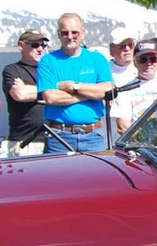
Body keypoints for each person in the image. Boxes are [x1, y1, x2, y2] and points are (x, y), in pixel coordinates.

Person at [36, 12, 115, 153]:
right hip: (59, 137)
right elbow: (51, 97)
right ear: (59, 34)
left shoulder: (97, 59)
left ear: (83, 33)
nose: (70, 36)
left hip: (94, 136)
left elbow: (109, 91)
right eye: (65, 32)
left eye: (75, 32)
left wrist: (73, 87)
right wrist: (91, 94)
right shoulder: (47, 61)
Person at [111, 40, 157, 133]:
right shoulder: (124, 90)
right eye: (143, 59)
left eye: (153, 59)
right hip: (140, 142)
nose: (148, 63)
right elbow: (123, 127)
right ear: (135, 62)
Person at [1, 30, 48, 157]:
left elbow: (63, 94)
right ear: (21, 45)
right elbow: (20, 94)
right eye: (34, 45)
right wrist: (50, 95)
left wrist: (32, 92)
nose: (40, 49)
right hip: (24, 142)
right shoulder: (12, 69)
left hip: (52, 140)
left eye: (43, 45)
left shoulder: (50, 71)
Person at [107, 25, 139, 92]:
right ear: (112, 49)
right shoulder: (105, 71)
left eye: (130, 45)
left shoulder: (142, 65)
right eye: (122, 46)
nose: (127, 49)